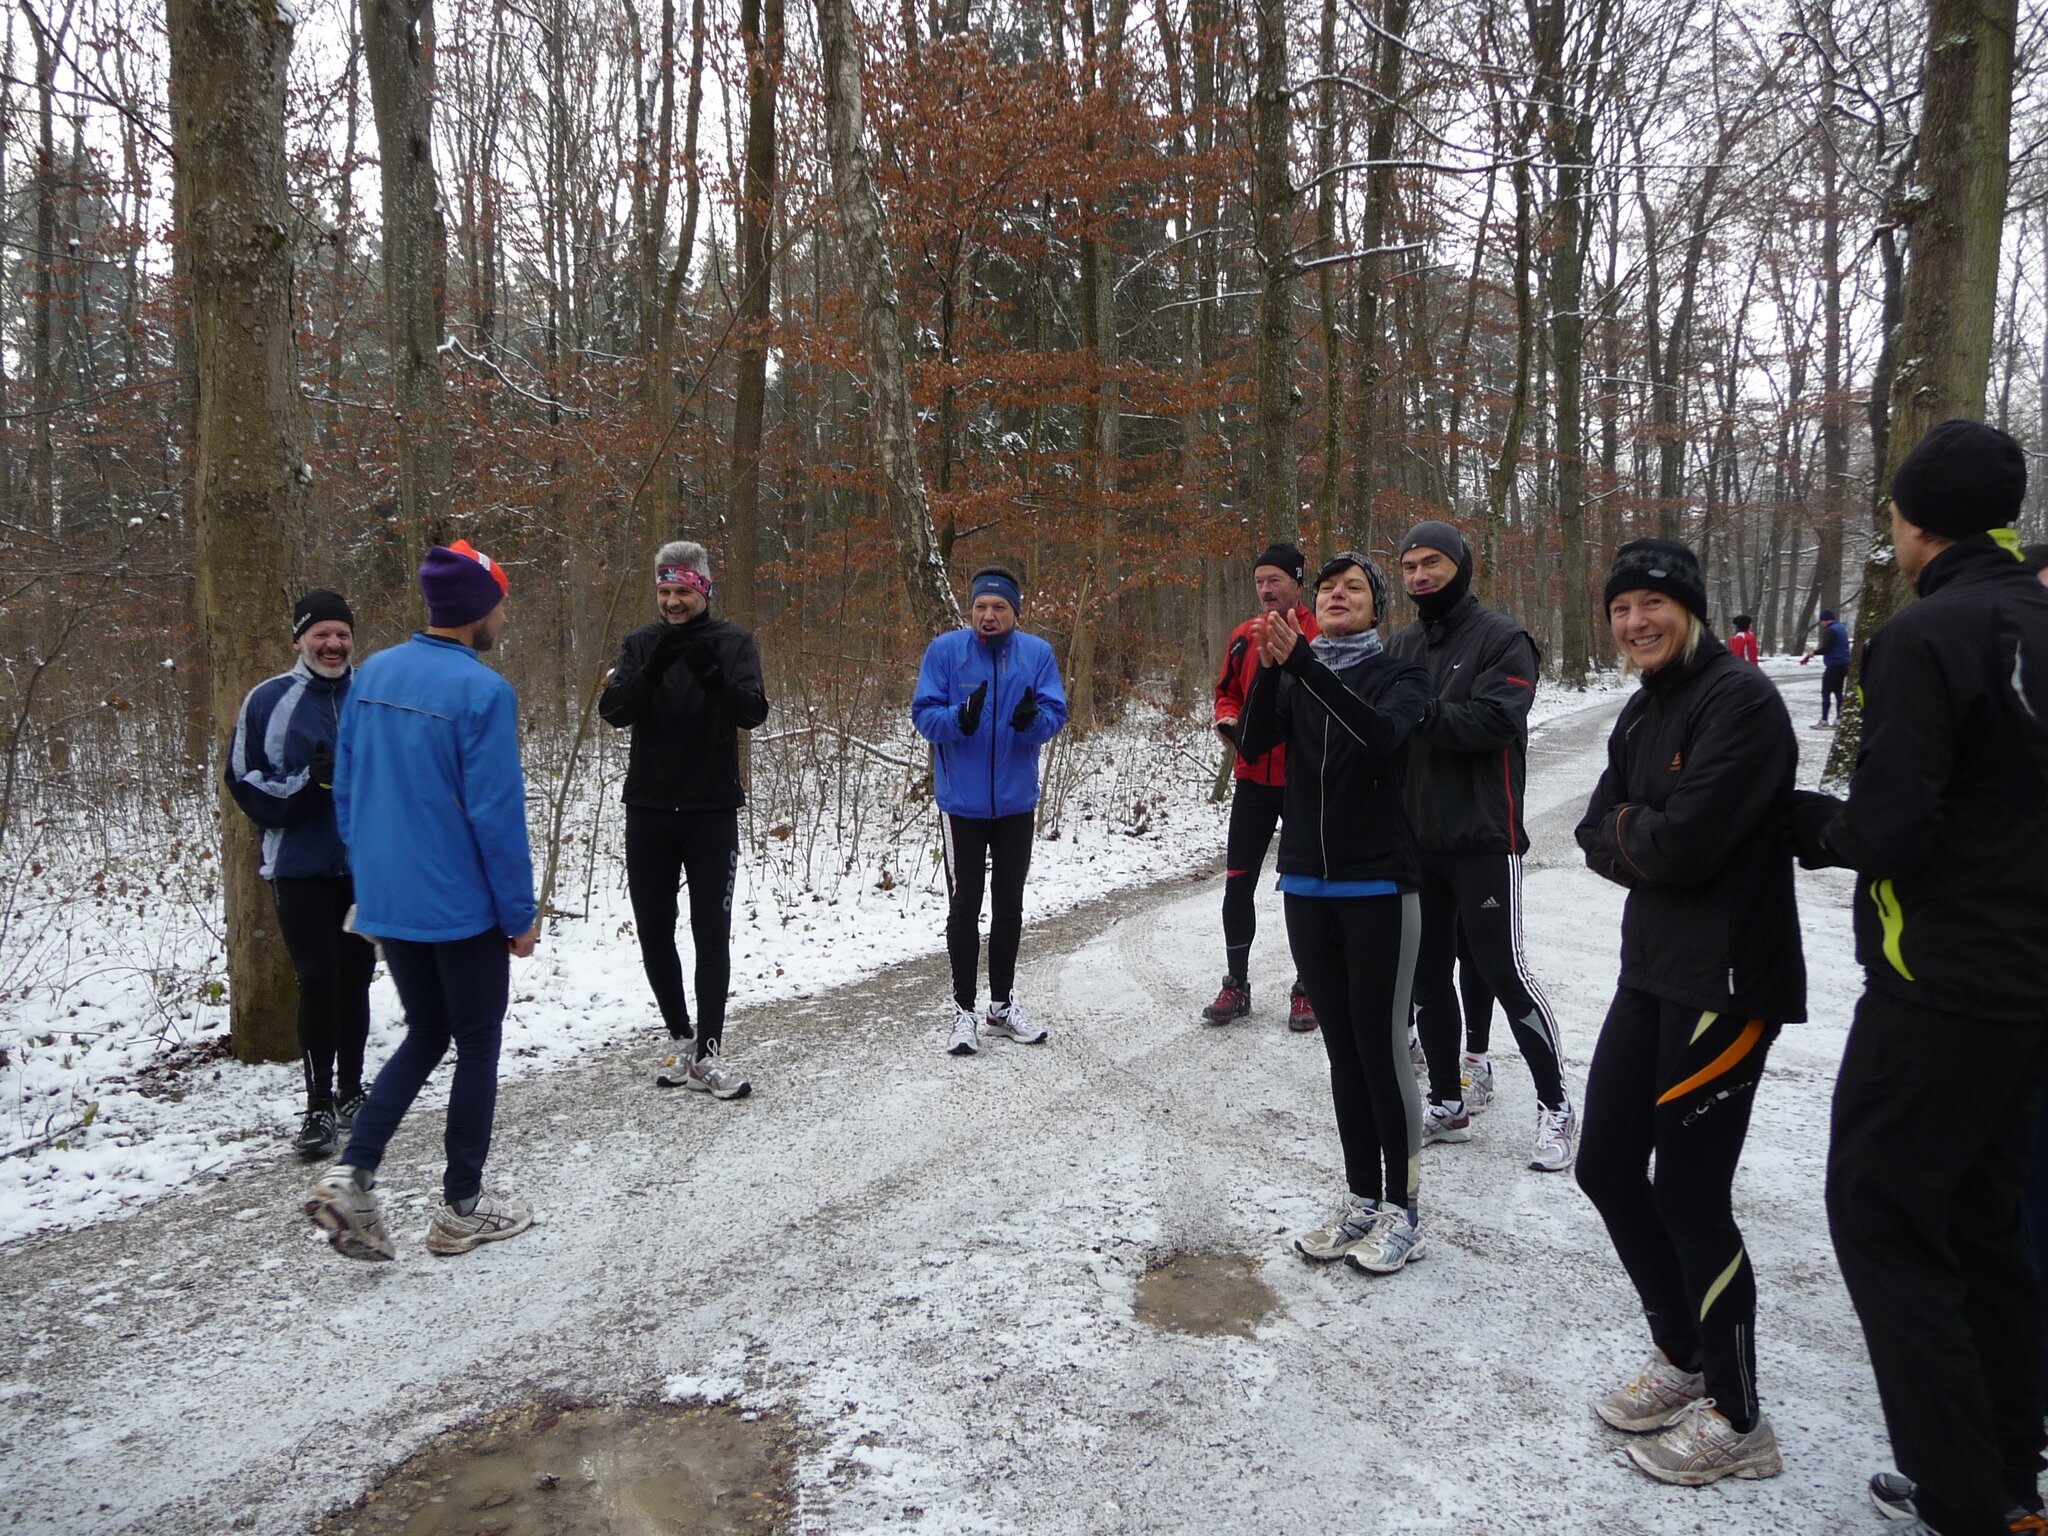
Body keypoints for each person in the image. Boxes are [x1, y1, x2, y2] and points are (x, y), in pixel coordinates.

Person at [1787, 422, 2048, 1536]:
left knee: (1881, 1214)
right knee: (1982, 1220)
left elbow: (1890, 832)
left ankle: (1960, 1494)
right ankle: (2008, 1473)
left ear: (1910, 520)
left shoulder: (1921, 635)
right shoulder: (2035, 614)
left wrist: (1812, 826)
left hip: (1936, 980)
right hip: (2030, 986)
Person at [1573, 537, 1803, 1486]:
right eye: (1623, 608)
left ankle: (1741, 1416)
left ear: (1691, 609)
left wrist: (1642, 835)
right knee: (1606, 1166)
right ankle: (1684, 1354)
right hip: (1652, 969)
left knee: (1691, 1193)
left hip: (1730, 981)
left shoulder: (1742, 703)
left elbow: (1690, 845)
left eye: (1653, 606)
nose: (1637, 623)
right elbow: (1595, 832)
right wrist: (1644, 835)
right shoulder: (1641, 712)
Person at [304, 540, 540, 1261]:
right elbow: (495, 814)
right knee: (476, 1040)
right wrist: (518, 914)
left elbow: (347, 790)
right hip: (458, 903)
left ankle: (352, 1174)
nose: (503, 612)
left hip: (388, 898)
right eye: (499, 600)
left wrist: (370, 872)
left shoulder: (374, 673)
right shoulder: (482, 692)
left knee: (427, 1032)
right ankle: (462, 1207)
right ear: (478, 608)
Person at [1238, 553, 1435, 1276]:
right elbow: (1256, 743)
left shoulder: (1401, 675)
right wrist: (1271, 668)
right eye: (1327, 590)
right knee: (1342, 1053)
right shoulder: (1297, 671)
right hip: (1307, 886)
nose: (1337, 596)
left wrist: (1307, 671)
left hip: (1380, 885)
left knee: (1383, 1051)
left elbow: (1381, 739)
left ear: (1377, 606)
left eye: (1353, 588)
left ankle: (1404, 1211)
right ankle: (1360, 1198)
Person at [1388, 519, 1576, 1171]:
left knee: (1504, 971)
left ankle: (1555, 1105)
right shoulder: (1403, 643)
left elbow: (1498, 721)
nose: (1419, 576)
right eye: (1409, 566)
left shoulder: (1504, 638)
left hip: (1483, 838)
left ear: (1461, 565)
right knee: (1427, 975)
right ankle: (1448, 1104)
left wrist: (1420, 714)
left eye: (1432, 563)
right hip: (1419, 842)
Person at [598, 540, 767, 1100]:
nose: (672, 602)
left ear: (703, 590)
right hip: (648, 807)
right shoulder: (640, 644)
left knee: (709, 933)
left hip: (711, 808)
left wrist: (716, 679)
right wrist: (648, 672)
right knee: (653, 930)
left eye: (682, 591)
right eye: (664, 591)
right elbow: (615, 713)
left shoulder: (735, 642)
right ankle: (680, 1037)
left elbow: (753, 713)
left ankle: (710, 1052)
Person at [226, 589, 376, 1160]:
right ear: (299, 640)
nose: (333, 645)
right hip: (299, 867)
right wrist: (308, 787)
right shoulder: (268, 700)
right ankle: (316, 1108)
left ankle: (351, 1093)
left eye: (342, 635)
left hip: (367, 866)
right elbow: (243, 781)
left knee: (357, 978)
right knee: (318, 979)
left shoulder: (374, 694)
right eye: (322, 635)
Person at [911, 566, 1069, 1056]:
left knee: (1009, 905)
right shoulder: (945, 652)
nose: (989, 614)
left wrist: (1030, 722)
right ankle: (963, 1011)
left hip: (1016, 802)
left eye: (999, 607)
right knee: (964, 906)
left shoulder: (1036, 654)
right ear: (971, 609)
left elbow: (1055, 713)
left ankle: (1000, 1006)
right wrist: (959, 718)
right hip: (962, 804)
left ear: (1015, 613)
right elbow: (922, 714)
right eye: (981, 606)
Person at [1206, 543, 1321, 1029]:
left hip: (1304, 781)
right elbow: (1226, 692)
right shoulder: (1242, 637)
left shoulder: (1321, 635)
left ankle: (1309, 986)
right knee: (1238, 884)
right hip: (1253, 779)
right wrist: (1229, 723)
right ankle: (1236, 983)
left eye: (1276, 579)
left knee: (1308, 888)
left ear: (1298, 583)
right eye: (1260, 581)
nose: (1267, 589)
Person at [1801, 606, 1851, 725]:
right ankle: (1839, 718)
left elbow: (1827, 648)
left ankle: (1824, 720)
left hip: (1834, 664)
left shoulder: (1830, 631)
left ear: (1825, 620)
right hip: (1844, 663)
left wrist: (1814, 653)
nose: (1821, 623)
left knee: (1826, 691)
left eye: (1822, 621)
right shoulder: (1842, 629)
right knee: (1838, 691)